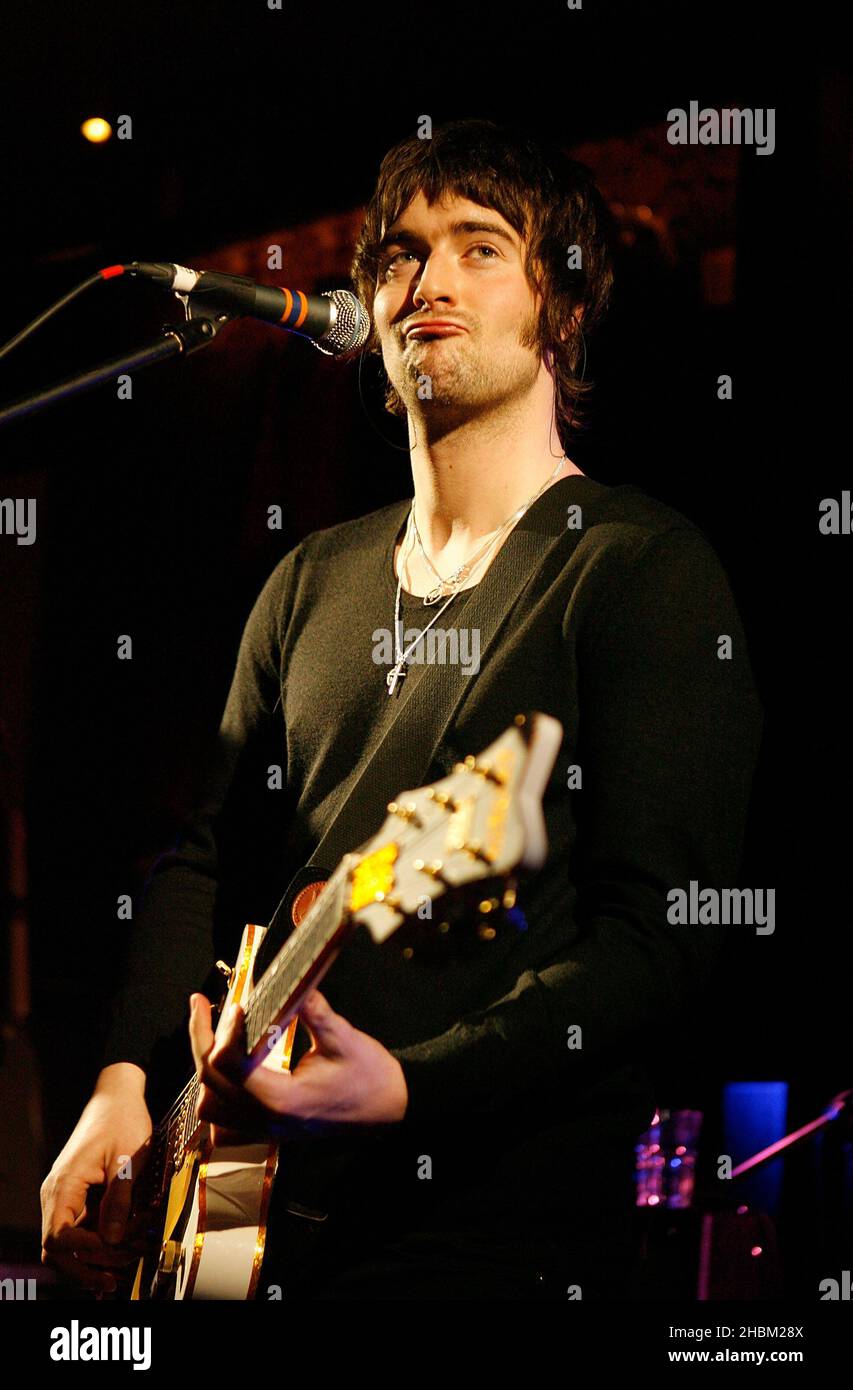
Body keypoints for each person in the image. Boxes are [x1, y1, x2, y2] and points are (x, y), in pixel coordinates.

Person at [40, 118, 763, 1301]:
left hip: (485, 1240)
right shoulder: (310, 578)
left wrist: (414, 1085)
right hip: (245, 1215)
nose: (426, 281)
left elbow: (660, 943)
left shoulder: (638, 570)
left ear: (564, 310)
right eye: (399, 256)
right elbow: (203, 859)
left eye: (479, 247)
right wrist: (122, 1085)